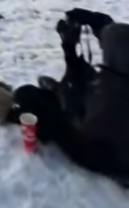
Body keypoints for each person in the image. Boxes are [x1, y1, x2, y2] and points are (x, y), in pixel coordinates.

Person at [10, 18, 129, 183]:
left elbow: (76, 114)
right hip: (109, 140)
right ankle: (59, 88)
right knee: (83, 81)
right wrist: (70, 48)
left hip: (100, 153)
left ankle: (56, 90)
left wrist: (69, 50)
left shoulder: (109, 99)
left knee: (26, 95)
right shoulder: (118, 80)